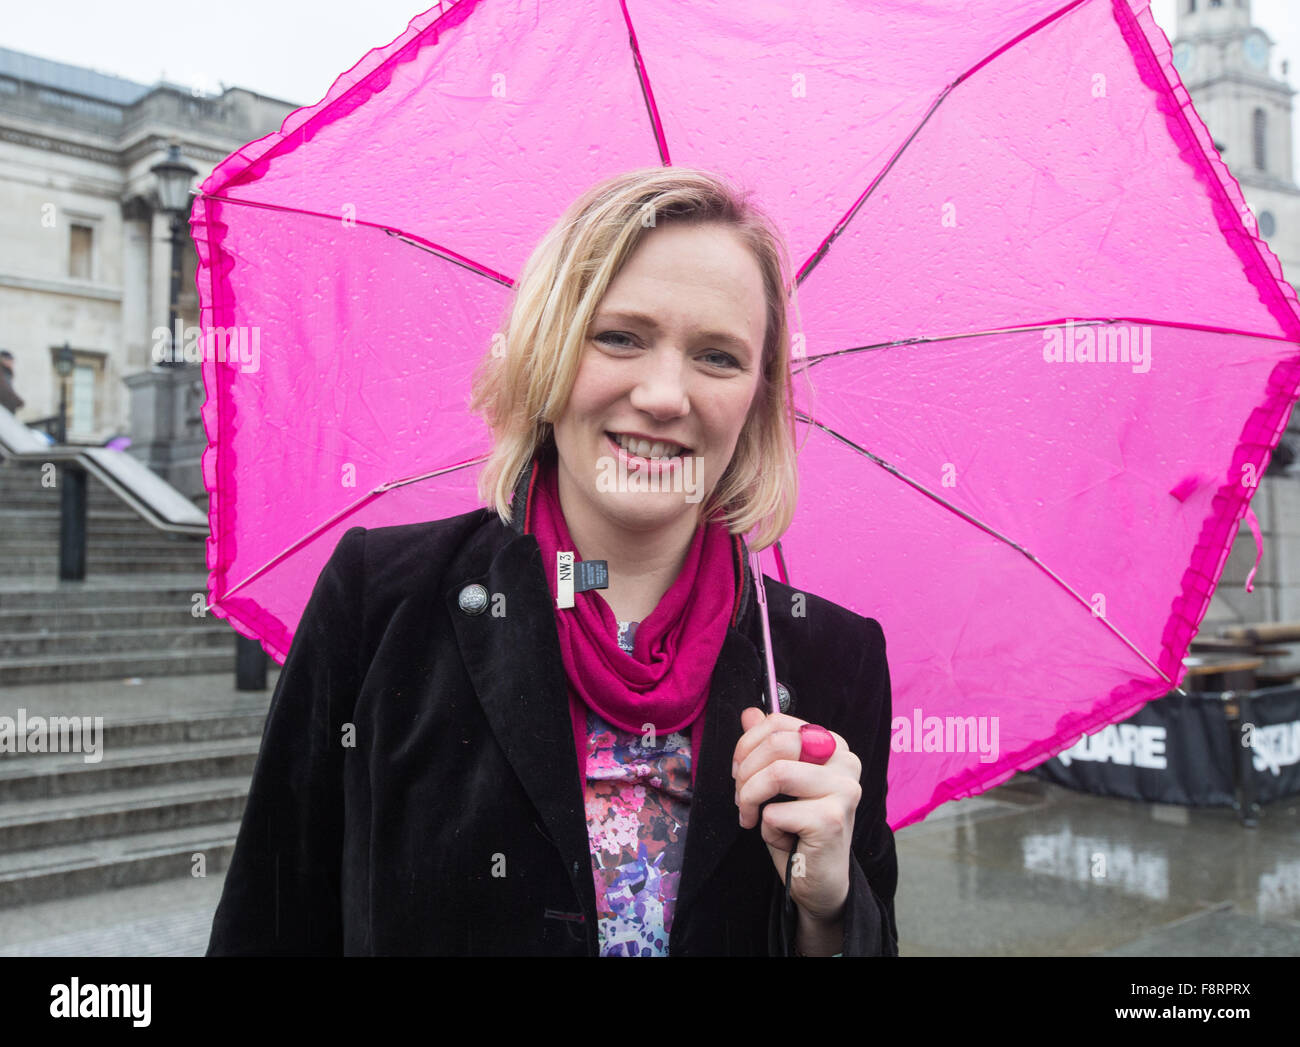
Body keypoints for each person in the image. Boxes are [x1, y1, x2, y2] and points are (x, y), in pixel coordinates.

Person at [206, 166, 898, 957]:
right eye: (620, 337)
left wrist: (828, 908)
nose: (666, 395)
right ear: (549, 352)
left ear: (755, 396)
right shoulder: (380, 601)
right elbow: (269, 926)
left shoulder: (830, 659)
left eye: (717, 356)